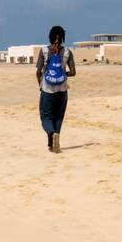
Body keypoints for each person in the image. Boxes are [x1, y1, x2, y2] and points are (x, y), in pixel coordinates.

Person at [35, 25, 76, 153]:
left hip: (48, 89)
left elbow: (38, 72)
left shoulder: (44, 51)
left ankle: (52, 134)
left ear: (50, 37)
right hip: (62, 89)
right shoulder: (68, 52)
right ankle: (53, 144)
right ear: (63, 38)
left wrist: (41, 84)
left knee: (46, 117)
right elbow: (73, 72)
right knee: (58, 117)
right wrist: (63, 75)